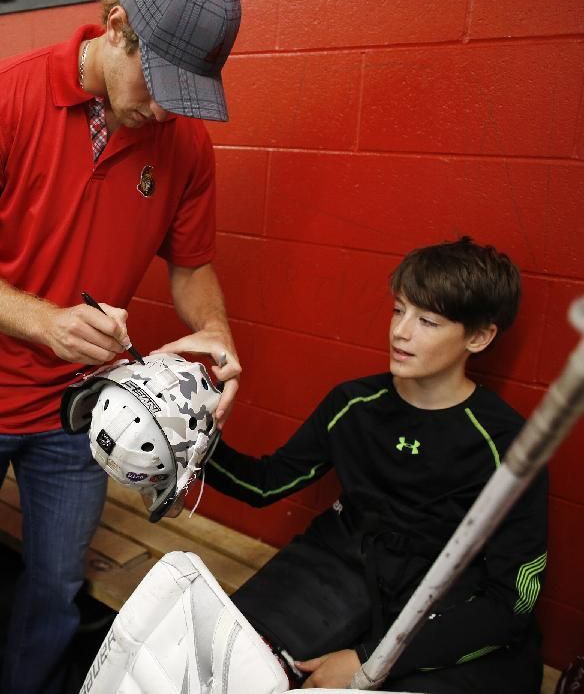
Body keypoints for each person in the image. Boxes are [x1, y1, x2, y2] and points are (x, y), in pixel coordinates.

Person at [0, 0, 244, 693]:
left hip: (78, 413)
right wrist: (44, 323)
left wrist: (216, 335)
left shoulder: (184, 144)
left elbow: (190, 267)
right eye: (158, 82)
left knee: (55, 593)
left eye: (186, 94)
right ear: (116, 25)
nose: (165, 109)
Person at [162, 237, 547, 693]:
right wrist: (189, 441)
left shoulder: (508, 444)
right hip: (343, 561)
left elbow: (513, 602)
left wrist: (368, 661)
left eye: (427, 320)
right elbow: (265, 485)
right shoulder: (354, 403)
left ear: (479, 337)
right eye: (398, 310)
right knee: (209, 666)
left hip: (442, 596)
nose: (401, 332)